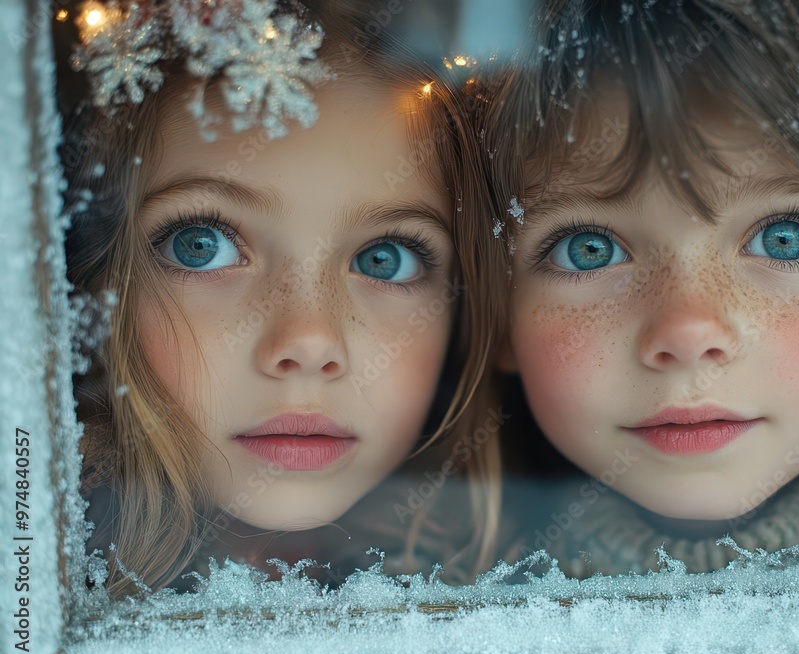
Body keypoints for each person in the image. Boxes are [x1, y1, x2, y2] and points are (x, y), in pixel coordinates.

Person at [482, 0, 799, 575]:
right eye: (589, 249)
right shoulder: (407, 603)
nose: (688, 332)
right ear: (496, 304)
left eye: (786, 239)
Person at [61, 0, 504, 596]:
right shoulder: (31, 590)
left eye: (385, 258)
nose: (308, 341)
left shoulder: (525, 591)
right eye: (202, 246)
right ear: (99, 287)